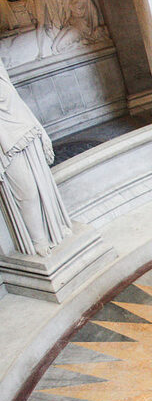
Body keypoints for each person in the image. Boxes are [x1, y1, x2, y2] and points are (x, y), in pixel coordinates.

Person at [0, 58, 72, 257]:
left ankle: (52, 230)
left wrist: (40, 129)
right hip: (6, 140)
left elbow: (15, 98)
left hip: (25, 128)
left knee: (42, 184)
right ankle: (38, 240)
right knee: (27, 191)